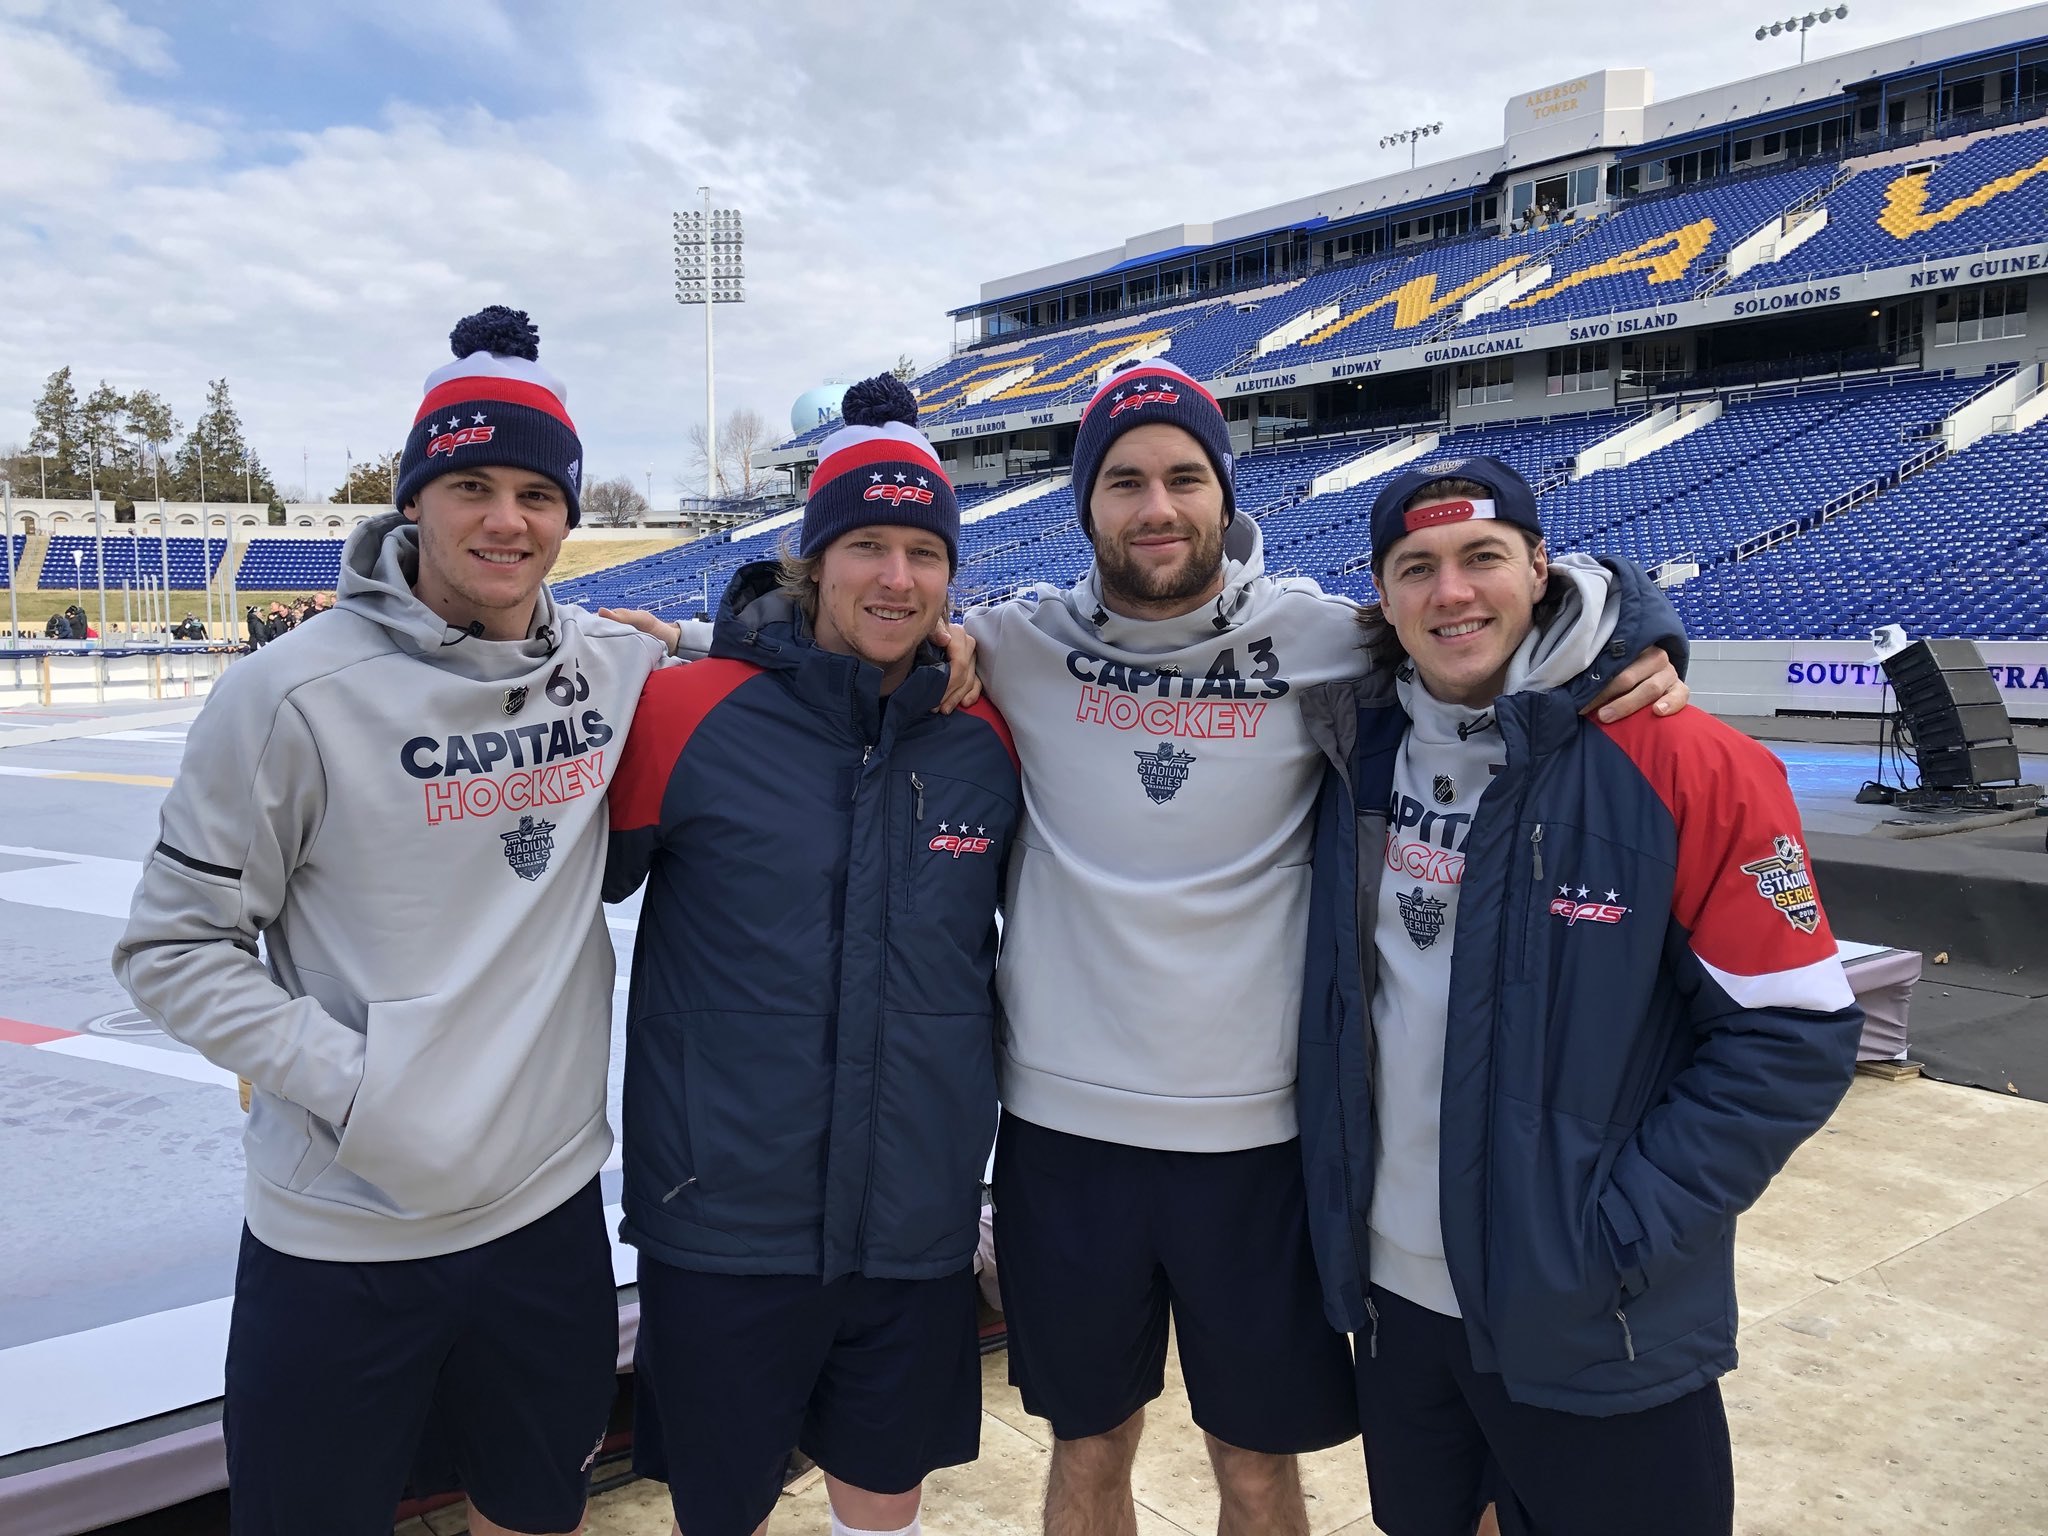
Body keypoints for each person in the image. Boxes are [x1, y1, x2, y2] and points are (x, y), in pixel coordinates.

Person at [615, 361, 1686, 1536]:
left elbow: (1484, 610)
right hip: (1062, 1140)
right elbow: (835, 643)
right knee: (1087, 1450)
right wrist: (682, 633)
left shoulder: (1329, 643)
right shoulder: (1010, 651)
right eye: (1123, 481)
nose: (1156, 506)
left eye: (1183, 477)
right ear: (1085, 508)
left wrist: (1634, 630)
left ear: (1224, 497)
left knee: (1255, 1467)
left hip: (1256, 1142)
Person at [113, 305, 678, 1536]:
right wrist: (365, 1087)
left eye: (537, 492)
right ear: (412, 499)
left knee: (534, 1512)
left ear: (567, 517)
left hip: (545, 1212)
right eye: (469, 483)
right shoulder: (288, 695)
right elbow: (170, 946)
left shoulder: (611, 664)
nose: (505, 519)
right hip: (342, 1235)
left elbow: (756, 649)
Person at [1294, 459, 1864, 1536]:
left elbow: (1792, 1035)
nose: (1450, 593)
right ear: (1381, 597)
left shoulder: (1687, 759)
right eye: (1416, 567)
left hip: (1589, 1315)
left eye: (1480, 558)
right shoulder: (1349, 747)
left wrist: (1612, 1237)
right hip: (1393, 1302)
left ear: (1541, 568)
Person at [603, 376, 1020, 1536]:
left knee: (882, 1500)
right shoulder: (685, 713)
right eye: (866, 547)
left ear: (950, 576)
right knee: (719, 1504)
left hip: (913, 1214)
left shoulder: (987, 730)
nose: (895, 577)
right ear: (811, 557)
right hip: (723, 1212)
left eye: (922, 552)